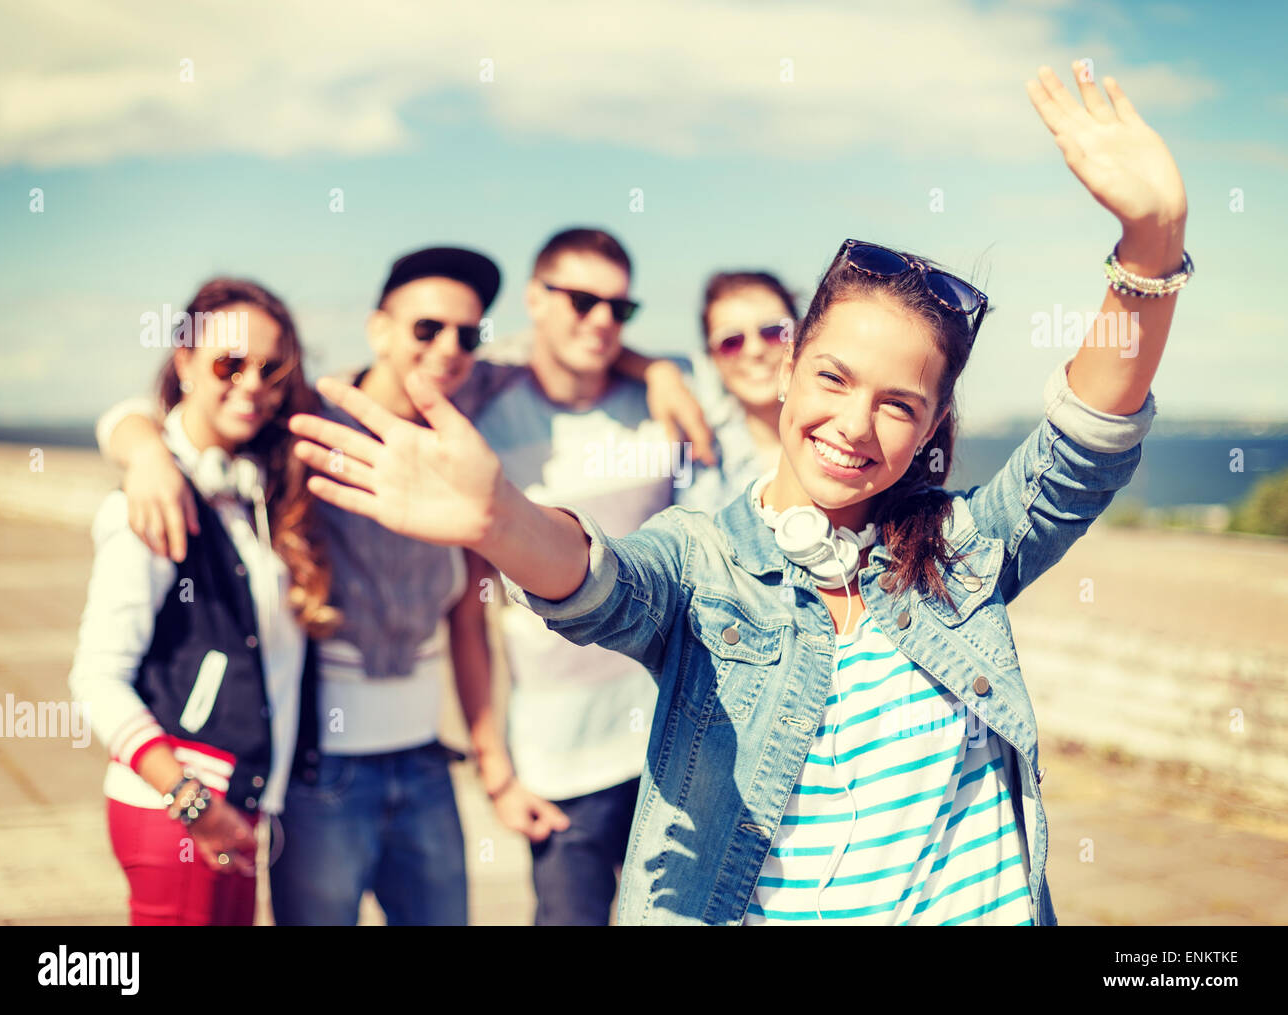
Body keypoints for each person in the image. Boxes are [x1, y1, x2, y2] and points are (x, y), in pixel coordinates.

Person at [286, 63, 1191, 925]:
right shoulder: (704, 559)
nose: (854, 424)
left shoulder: (964, 547)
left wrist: (1150, 243)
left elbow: (1086, 436)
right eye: (833, 378)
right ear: (791, 368)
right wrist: (502, 521)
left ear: (931, 426)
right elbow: (604, 584)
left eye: (898, 405)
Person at [94, 246, 714, 925]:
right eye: (426, 328)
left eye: (467, 333)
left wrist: (653, 367)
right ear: (379, 328)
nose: (448, 347)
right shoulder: (309, 414)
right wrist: (141, 445)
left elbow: (569, 350)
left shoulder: (470, 395)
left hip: (425, 762)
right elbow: (205, 403)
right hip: (321, 768)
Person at [69, 278, 336, 925]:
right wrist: (193, 803)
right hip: (181, 810)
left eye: (272, 369)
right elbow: (95, 677)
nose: (253, 384)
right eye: (229, 363)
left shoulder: (253, 491)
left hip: (231, 808)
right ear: (184, 361)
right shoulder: (152, 501)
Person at [472, 227, 705, 924]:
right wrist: (495, 767)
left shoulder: (668, 397)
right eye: (581, 301)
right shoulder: (480, 417)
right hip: (558, 760)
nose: (602, 320)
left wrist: (658, 369)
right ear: (534, 301)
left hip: (675, 741)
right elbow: (466, 608)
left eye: (620, 308)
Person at [678, 271, 798, 514]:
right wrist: (659, 374)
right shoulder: (702, 446)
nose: (755, 350)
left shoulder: (843, 436)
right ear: (712, 358)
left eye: (774, 331)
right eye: (730, 341)